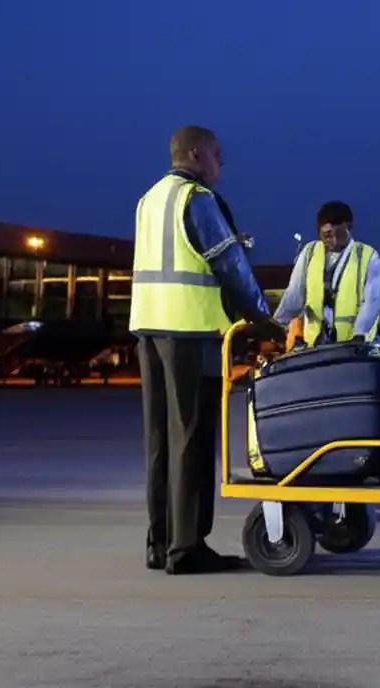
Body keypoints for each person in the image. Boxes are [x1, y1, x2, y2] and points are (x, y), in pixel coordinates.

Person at [130, 125, 283, 575]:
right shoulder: (197, 200)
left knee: (159, 441)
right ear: (196, 155)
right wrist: (262, 318)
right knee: (192, 440)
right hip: (191, 334)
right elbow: (229, 264)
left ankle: (160, 543)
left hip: (148, 331)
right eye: (217, 155)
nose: (222, 164)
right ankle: (188, 548)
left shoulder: (150, 199)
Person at [273, 201, 380, 346]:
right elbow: (294, 294)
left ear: (348, 227)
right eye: (324, 235)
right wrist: (277, 326)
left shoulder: (367, 256)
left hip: (353, 346)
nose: (328, 240)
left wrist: (360, 334)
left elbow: (372, 302)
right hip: (315, 345)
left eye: (333, 234)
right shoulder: (309, 253)